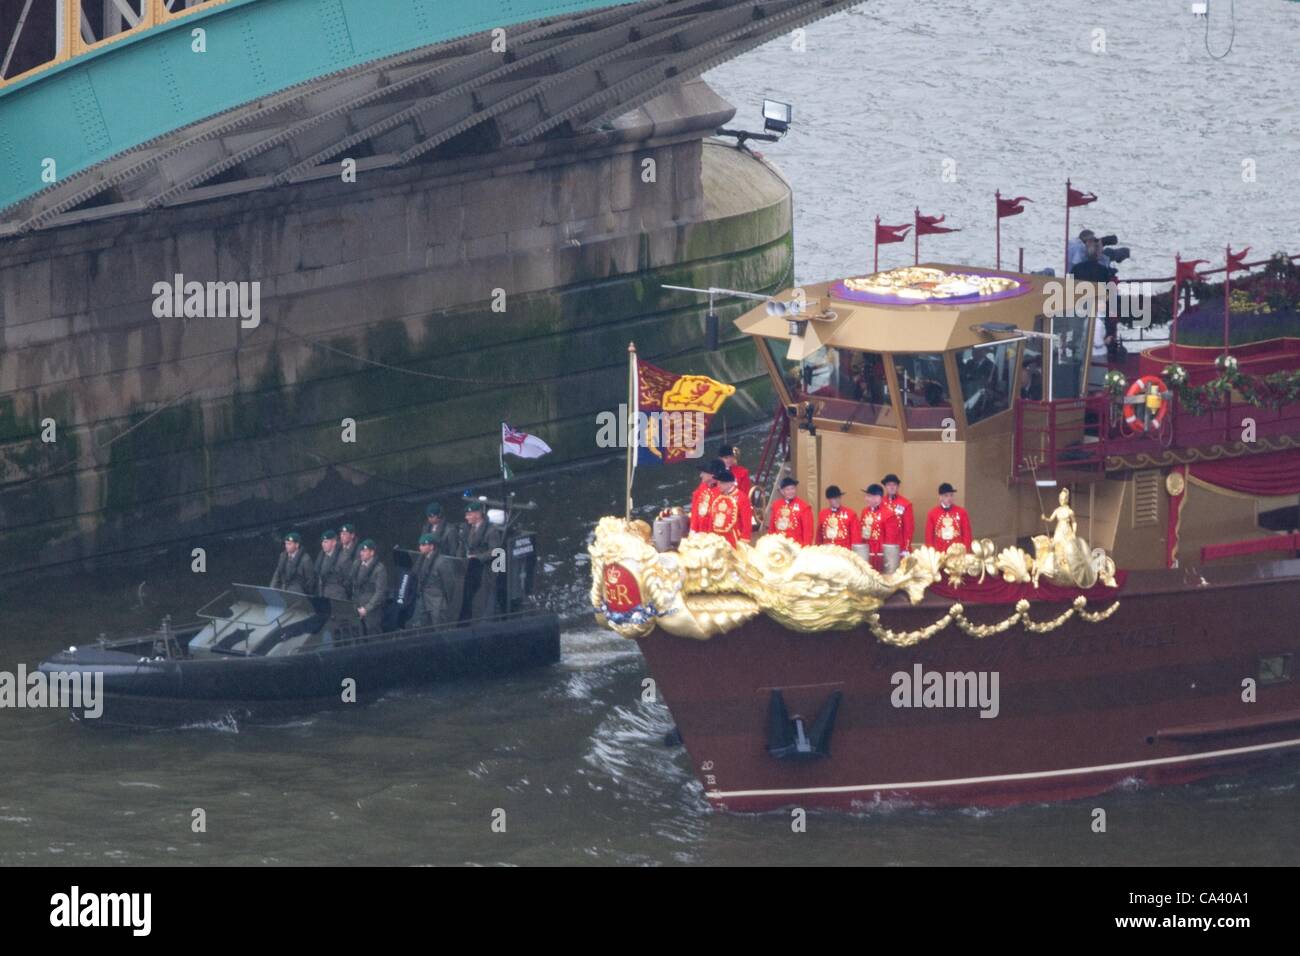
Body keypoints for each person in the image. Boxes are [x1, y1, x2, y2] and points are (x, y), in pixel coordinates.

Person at [461, 500, 506, 619]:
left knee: (487, 594)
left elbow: (495, 551)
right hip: (473, 568)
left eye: (469, 515)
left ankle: (486, 617)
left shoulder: (491, 531)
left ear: (477, 514)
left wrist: (478, 557)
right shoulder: (471, 529)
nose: (466, 517)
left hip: (486, 569)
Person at [411, 533, 458, 627]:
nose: (420, 547)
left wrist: (446, 600)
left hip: (437, 600)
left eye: (423, 545)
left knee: (438, 625)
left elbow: (449, 584)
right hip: (424, 599)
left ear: (431, 546)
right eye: (420, 545)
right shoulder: (422, 559)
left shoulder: (441, 562)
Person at [857, 483, 902, 569]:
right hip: (867, 550)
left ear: (877, 498)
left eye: (869, 496)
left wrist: (886, 558)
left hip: (880, 553)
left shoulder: (889, 514)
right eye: (866, 496)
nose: (866, 499)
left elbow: (890, 541)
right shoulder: (865, 511)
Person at [350, 539, 389, 634]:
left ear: (372, 553)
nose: (361, 553)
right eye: (361, 551)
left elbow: (380, 592)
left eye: (364, 551)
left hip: (372, 610)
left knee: (373, 632)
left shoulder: (379, 569)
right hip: (357, 606)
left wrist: (367, 608)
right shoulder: (356, 564)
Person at [705, 469, 751, 547]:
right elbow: (712, 517)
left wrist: (744, 538)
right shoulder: (716, 495)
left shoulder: (742, 497)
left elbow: (746, 521)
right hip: (716, 537)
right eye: (718, 482)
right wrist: (709, 534)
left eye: (721, 483)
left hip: (733, 538)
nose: (718, 485)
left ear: (730, 484)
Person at [924, 483, 973, 553]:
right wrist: (931, 553)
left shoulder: (962, 512)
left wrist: (965, 550)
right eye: (946, 496)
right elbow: (929, 537)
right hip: (939, 552)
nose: (949, 498)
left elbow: (967, 534)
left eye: (951, 495)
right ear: (940, 497)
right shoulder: (932, 513)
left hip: (957, 553)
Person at [767, 476, 814, 546]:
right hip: (779, 546)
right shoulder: (776, 505)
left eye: (793, 488)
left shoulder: (804, 507)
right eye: (787, 489)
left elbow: (808, 532)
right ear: (782, 491)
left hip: (797, 547)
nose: (791, 492)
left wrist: (806, 548)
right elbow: (772, 528)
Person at [881, 474, 915, 556]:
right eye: (889, 485)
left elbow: (909, 528)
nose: (891, 487)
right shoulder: (880, 502)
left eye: (894, 485)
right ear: (885, 486)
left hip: (899, 546)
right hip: (883, 545)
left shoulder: (905, 503)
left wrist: (906, 548)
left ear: (898, 486)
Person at [314, 529, 351, 600]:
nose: (323, 544)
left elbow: (348, 581)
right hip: (323, 594)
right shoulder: (321, 556)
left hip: (338, 596)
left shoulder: (343, 558)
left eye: (326, 542)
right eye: (322, 542)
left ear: (334, 542)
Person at [689, 459, 723, 534]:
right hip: (701, 530)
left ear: (712, 475)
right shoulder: (703, 486)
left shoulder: (723, 490)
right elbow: (695, 508)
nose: (700, 475)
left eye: (703, 473)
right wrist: (693, 529)